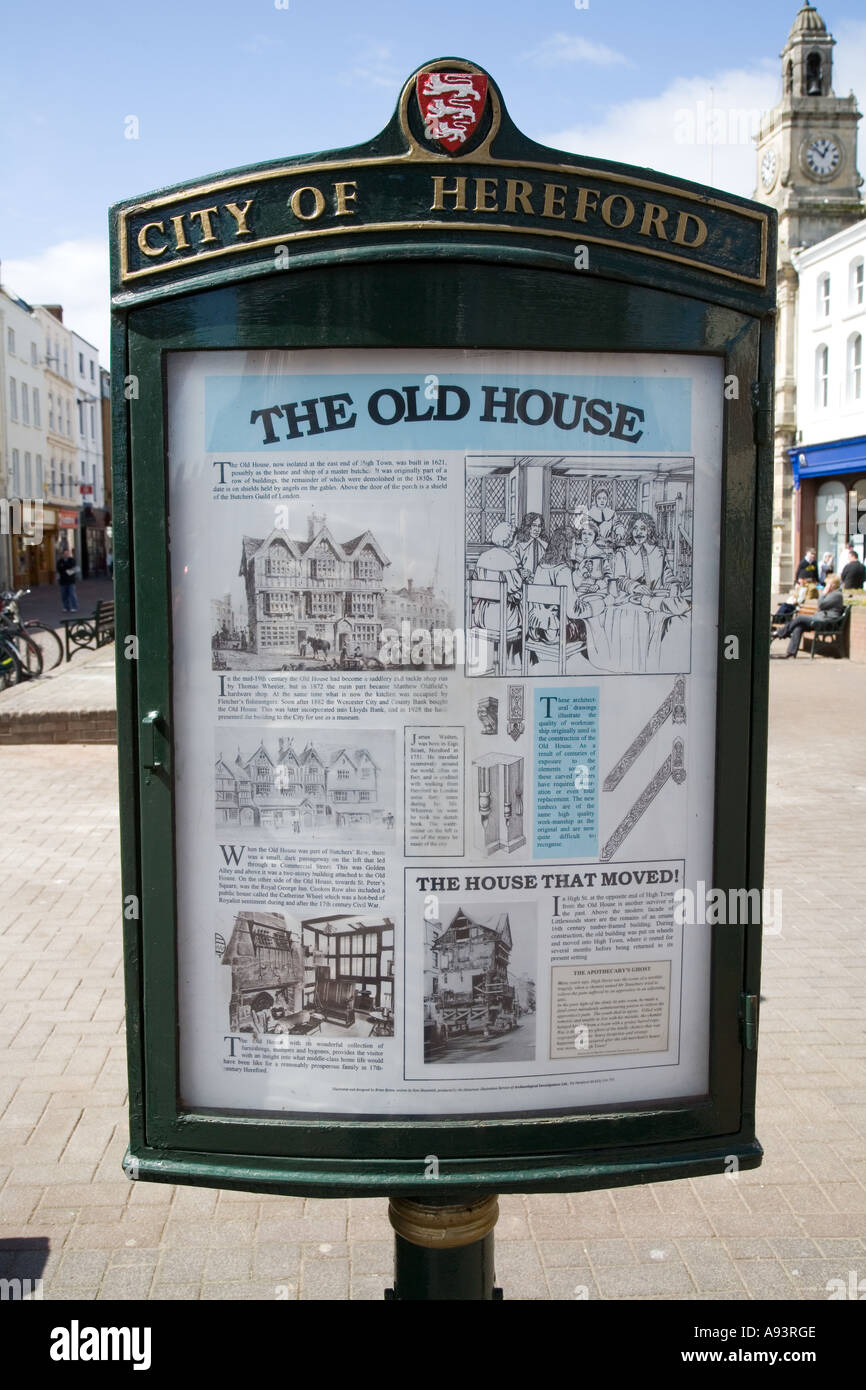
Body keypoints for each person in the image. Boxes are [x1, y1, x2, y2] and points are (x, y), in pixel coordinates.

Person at [773, 574, 844, 657]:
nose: (826, 586)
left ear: (832, 585)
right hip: (820, 619)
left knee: (799, 618)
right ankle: (791, 653)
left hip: (826, 622)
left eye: (827, 584)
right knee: (799, 627)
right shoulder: (832, 594)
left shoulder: (837, 595)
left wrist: (824, 593)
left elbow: (821, 605)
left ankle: (780, 633)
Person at [56, 548, 78, 613]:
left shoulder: (72, 560)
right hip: (63, 581)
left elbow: (73, 568)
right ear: (63, 554)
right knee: (64, 595)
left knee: (72, 594)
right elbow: (59, 569)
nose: (66, 555)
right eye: (65, 553)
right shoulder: (60, 561)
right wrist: (66, 569)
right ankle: (66, 607)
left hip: (71, 581)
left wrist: (65, 567)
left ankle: (74, 607)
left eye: (67, 553)